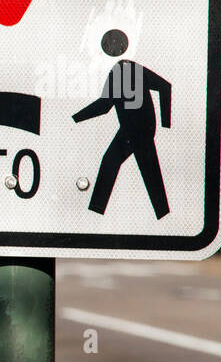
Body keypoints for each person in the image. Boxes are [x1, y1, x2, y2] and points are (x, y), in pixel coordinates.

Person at [73, 28, 172, 219]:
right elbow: (105, 105)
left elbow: (104, 105)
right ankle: (163, 214)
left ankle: (96, 211)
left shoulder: (123, 70)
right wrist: (76, 118)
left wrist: (165, 124)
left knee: (118, 164)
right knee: (145, 170)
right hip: (134, 129)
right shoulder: (126, 69)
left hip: (137, 130)